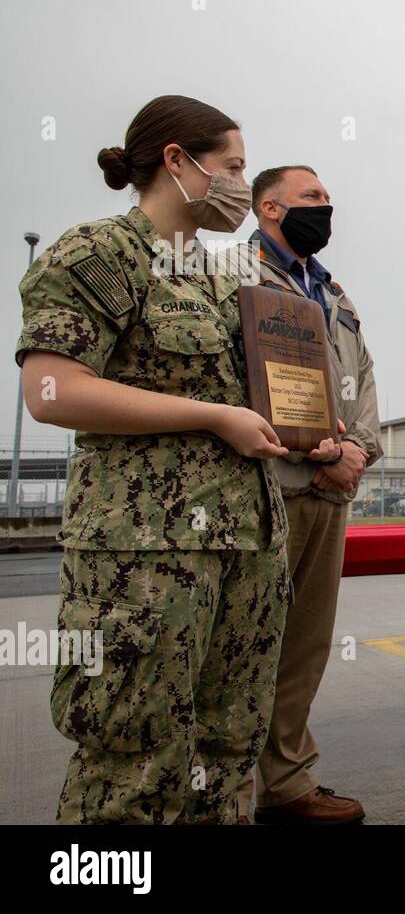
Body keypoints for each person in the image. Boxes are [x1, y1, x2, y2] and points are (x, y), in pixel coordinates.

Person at [15, 95, 339, 823]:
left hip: (246, 553)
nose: (238, 185)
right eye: (231, 167)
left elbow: (264, 403)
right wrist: (215, 418)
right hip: (146, 560)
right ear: (176, 161)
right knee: (134, 759)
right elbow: (52, 390)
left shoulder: (230, 279)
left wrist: (308, 433)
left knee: (227, 751)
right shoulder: (100, 253)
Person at [228, 165, 381, 825]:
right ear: (270, 207)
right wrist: (309, 457)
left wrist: (357, 454)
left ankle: (287, 784)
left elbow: (364, 377)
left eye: (326, 199)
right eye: (313, 198)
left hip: (331, 492)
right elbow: (235, 381)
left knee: (305, 644)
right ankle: (225, 790)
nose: (326, 207)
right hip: (271, 489)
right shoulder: (232, 273)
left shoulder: (334, 293)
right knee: (245, 644)